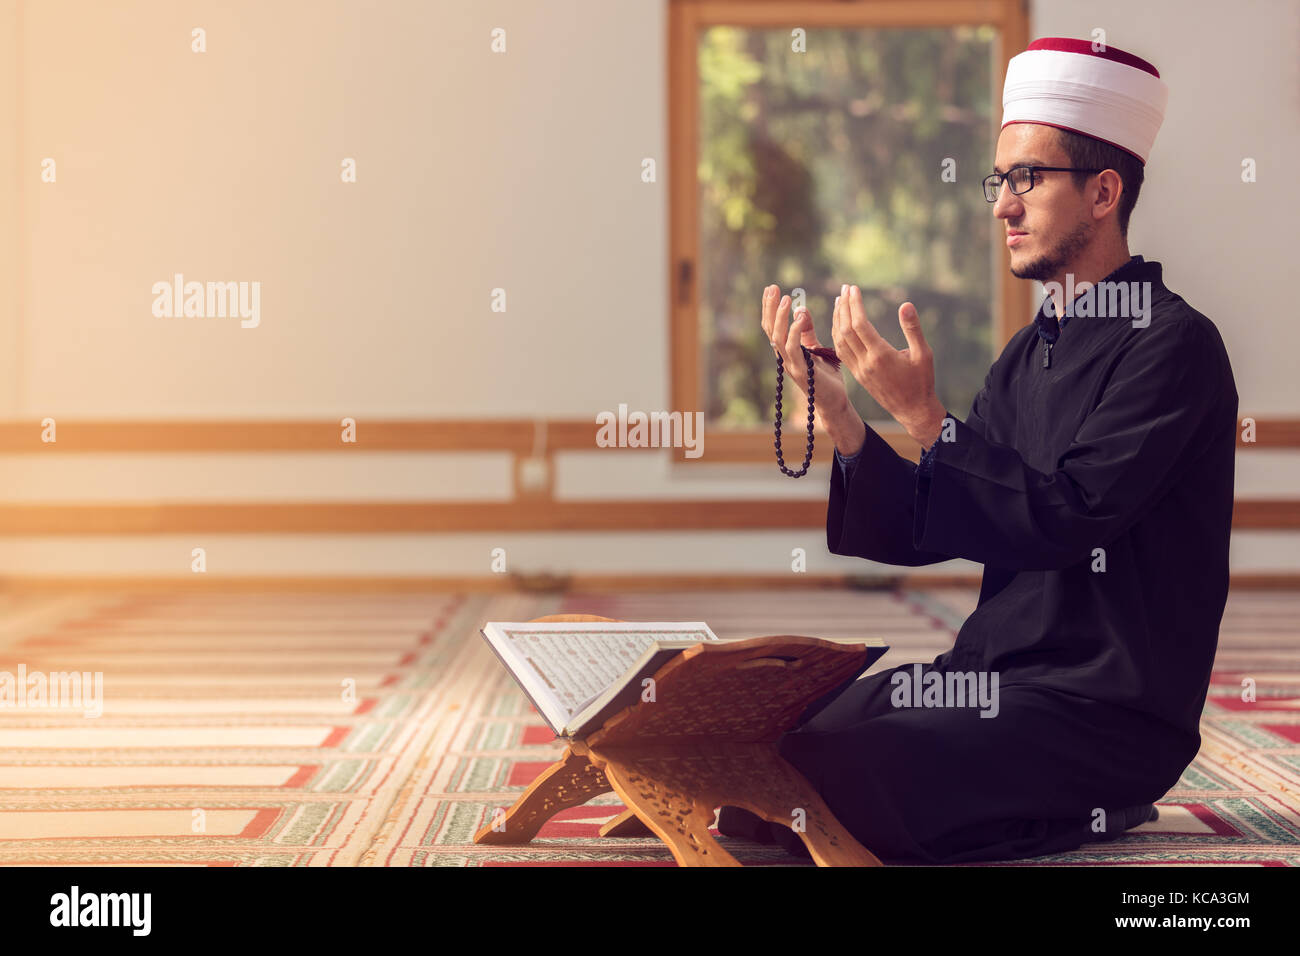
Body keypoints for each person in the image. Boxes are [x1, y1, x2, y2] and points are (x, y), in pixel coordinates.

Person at [726, 37, 1238, 864]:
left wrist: (928, 418)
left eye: (1028, 179)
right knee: (764, 730)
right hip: (990, 679)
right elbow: (938, 525)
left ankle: (1063, 812)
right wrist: (849, 423)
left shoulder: (1173, 346)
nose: (1002, 204)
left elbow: (1063, 522)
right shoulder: (1028, 350)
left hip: (1101, 711)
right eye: (1001, 181)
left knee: (822, 772)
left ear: (1104, 191)